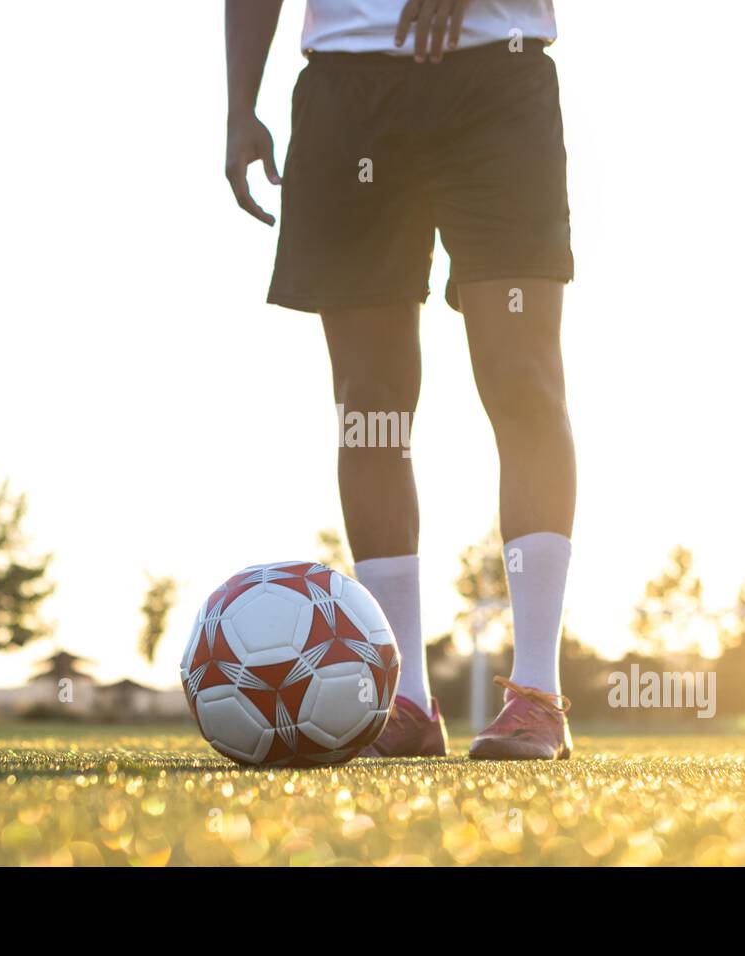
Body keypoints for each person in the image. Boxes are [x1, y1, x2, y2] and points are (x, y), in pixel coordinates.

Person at [225, 0, 575, 759]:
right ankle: (406, 699)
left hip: (496, 81)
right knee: (369, 405)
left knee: (523, 380)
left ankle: (539, 695)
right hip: (347, 94)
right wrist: (239, 103)